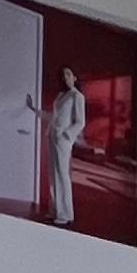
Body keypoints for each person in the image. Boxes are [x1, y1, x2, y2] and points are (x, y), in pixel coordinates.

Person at [46, 66, 87, 227]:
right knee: (53, 175)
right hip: (52, 137)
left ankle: (65, 214)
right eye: (63, 75)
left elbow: (80, 122)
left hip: (63, 140)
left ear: (75, 77)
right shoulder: (61, 96)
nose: (66, 77)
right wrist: (34, 109)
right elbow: (54, 117)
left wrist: (66, 136)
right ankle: (54, 209)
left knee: (62, 176)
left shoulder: (77, 96)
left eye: (69, 74)